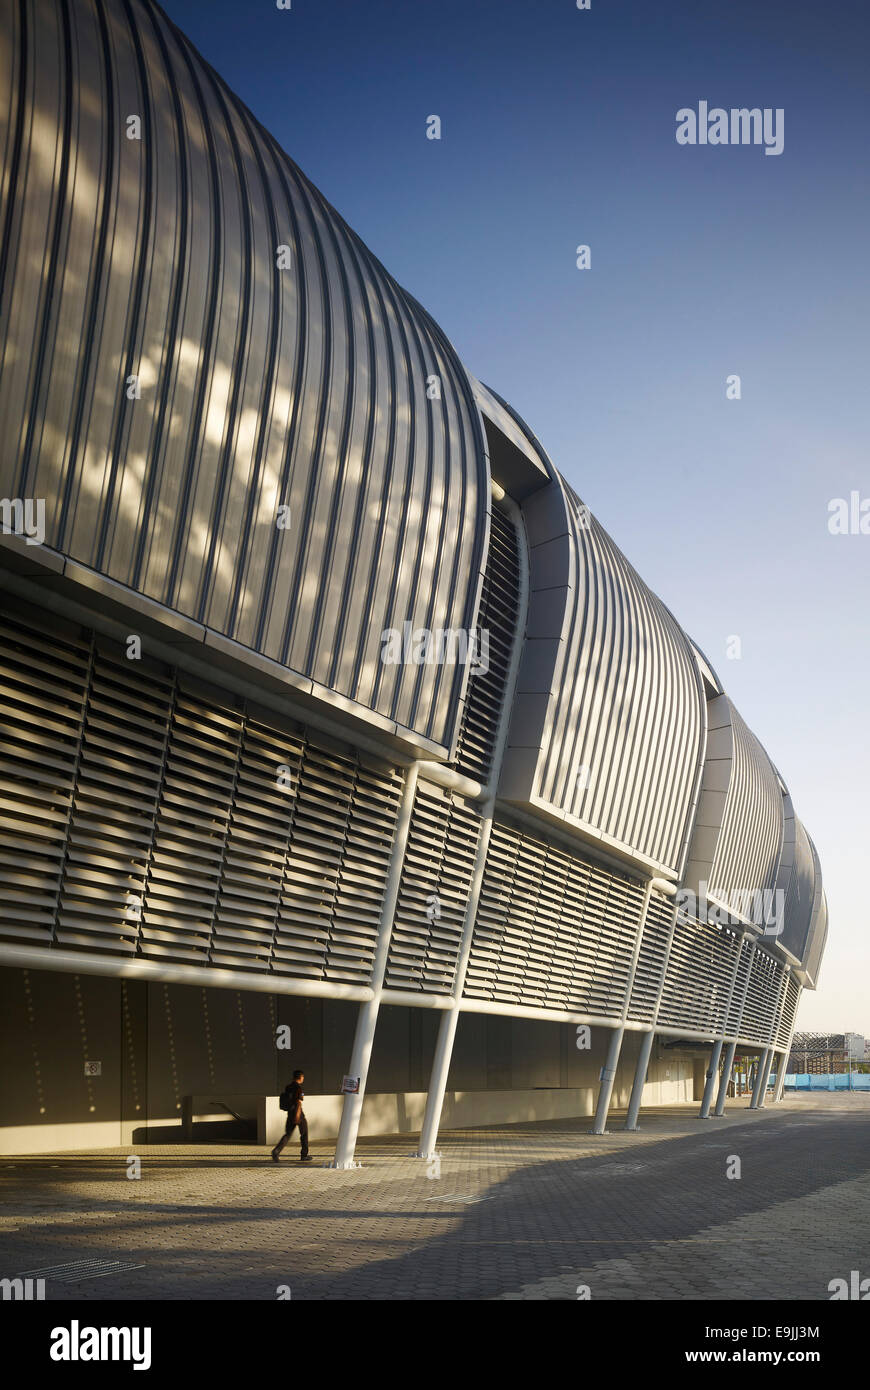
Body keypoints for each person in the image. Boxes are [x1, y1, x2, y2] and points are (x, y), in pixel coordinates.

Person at [272, 1069, 311, 1162]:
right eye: (303, 1077)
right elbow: (298, 1102)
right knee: (304, 1133)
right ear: (300, 1077)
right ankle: (304, 1155)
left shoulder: (288, 1087)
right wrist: (298, 1116)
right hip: (298, 1114)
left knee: (288, 1134)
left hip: (290, 1113)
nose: (303, 1078)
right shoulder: (298, 1088)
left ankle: (276, 1151)